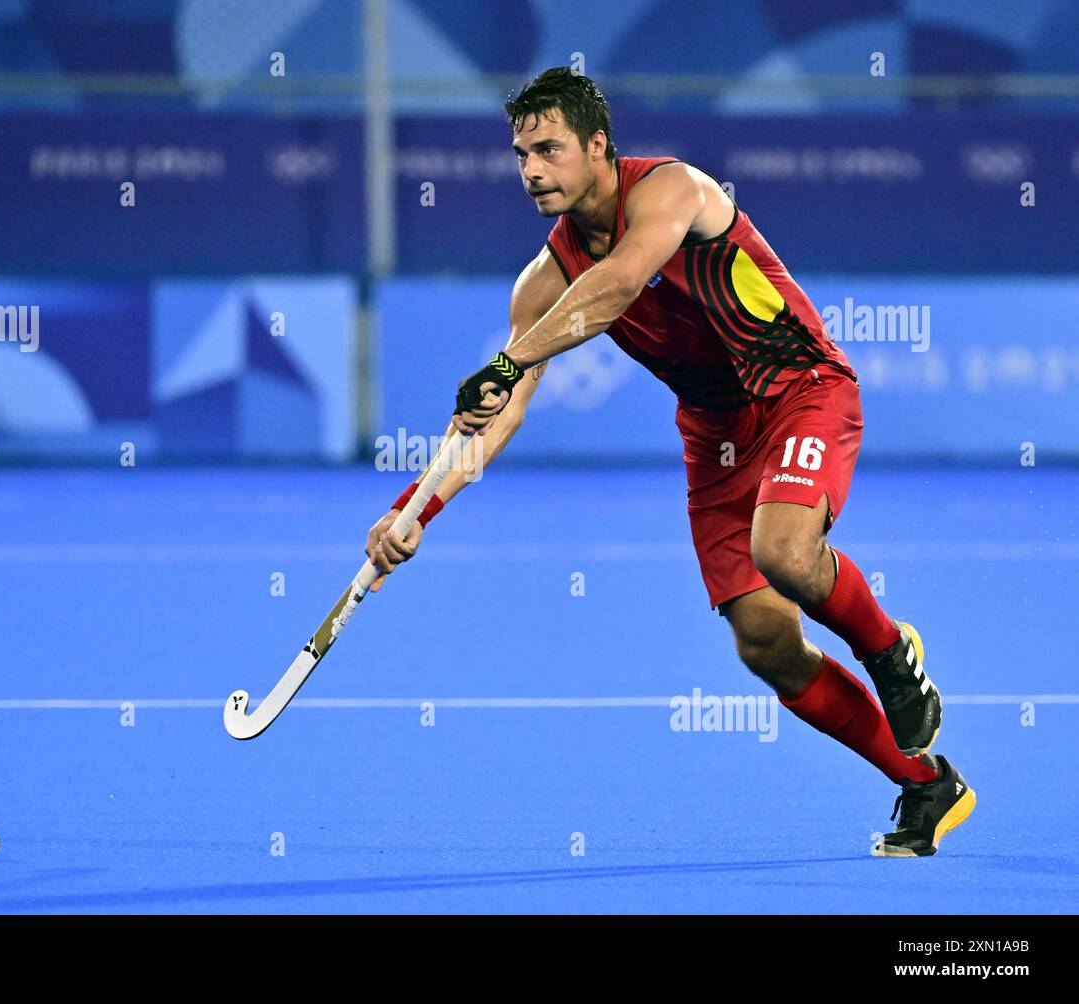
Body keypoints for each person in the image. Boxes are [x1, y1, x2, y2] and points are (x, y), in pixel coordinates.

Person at [366, 68, 974, 857]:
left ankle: (890, 653)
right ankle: (928, 784)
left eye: (548, 150)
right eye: (521, 155)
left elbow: (617, 285)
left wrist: (510, 361)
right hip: (715, 437)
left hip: (798, 388)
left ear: (597, 146)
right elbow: (498, 417)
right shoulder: (540, 282)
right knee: (763, 641)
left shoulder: (672, 190)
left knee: (784, 552)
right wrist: (415, 509)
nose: (532, 171)